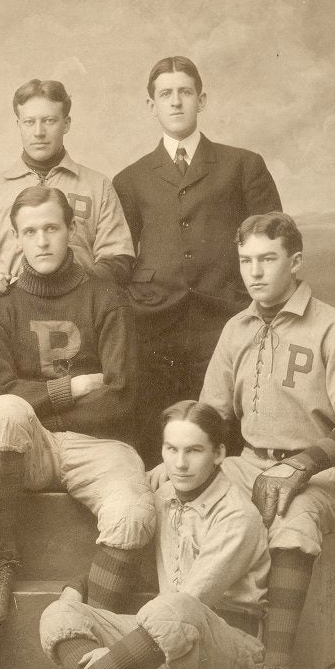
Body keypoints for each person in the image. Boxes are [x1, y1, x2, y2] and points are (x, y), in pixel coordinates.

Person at [0, 401, 269, 669]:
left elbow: (192, 603)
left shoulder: (237, 516)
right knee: (60, 613)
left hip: (226, 659)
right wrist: (78, 586)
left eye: (194, 450)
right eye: (172, 449)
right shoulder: (161, 487)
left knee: (174, 607)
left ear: (220, 453)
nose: (180, 463)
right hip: (161, 651)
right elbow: (125, 532)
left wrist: (118, 650)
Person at [200, 212, 335, 669]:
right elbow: (213, 416)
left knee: (295, 522)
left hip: (321, 471)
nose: (255, 272)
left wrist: (301, 466)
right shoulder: (236, 328)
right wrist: (184, 456)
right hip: (249, 462)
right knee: (172, 491)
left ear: (295, 263)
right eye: (246, 261)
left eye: (268, 259)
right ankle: (196, 636)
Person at [0, 186, 154, 625]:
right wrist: (70, 389)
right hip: (31, 446)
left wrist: (35, 400)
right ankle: (4, 558)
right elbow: (0, 391)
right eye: (29, 231)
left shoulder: (106, 296)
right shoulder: (1, 307)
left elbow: (121, 396)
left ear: (71, 230)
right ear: (15, 237)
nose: (41, 241)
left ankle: (92, 629)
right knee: (0, 415)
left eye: (51, 228)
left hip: (99, 444)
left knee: (133, 516)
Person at [112, 56, 282, 462]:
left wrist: (250, 297)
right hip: (155, 321)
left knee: (226, 421)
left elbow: (276, 240)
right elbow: (119, 254)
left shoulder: (242, 165)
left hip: (225, 313)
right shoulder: (129, 179)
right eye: (165, 94)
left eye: (185, 93)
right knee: (161, 425)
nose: (176, 102)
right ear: (150, 105)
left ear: (201, 100)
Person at [0, 78, 135, 303]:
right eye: (29, 122)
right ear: (18, 124)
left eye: (49, 121)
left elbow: (118, 259)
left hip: (79, 312)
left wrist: (73, 289)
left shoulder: (97, 186)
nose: (39, 132)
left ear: (66, 123)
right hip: (7, 316)